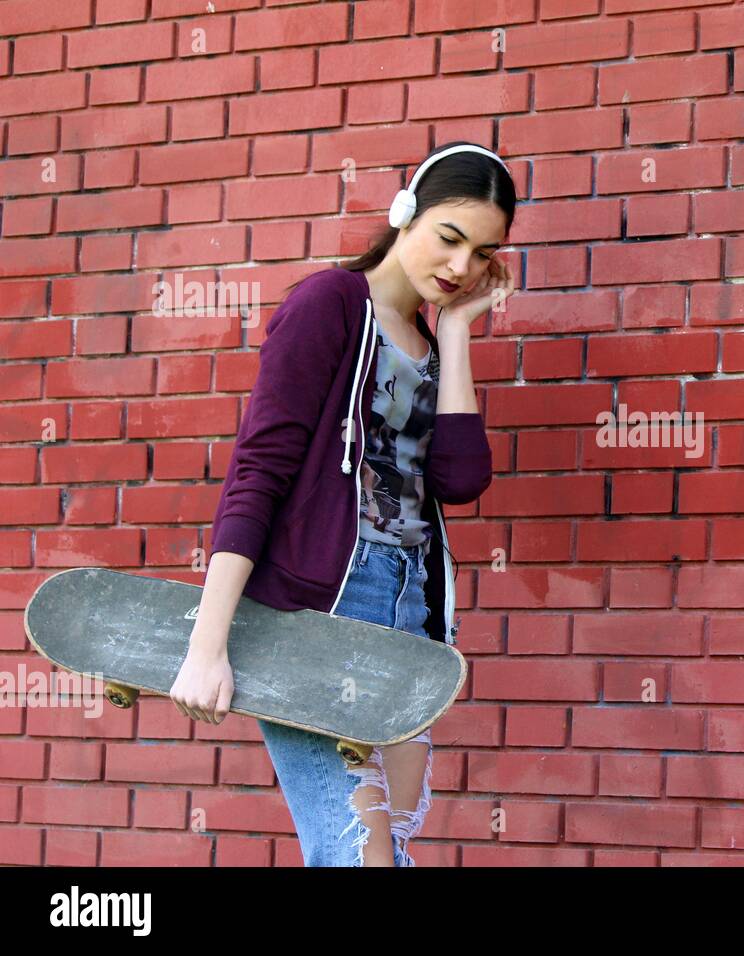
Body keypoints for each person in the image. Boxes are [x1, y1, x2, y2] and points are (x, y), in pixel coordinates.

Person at [168, 141, 518, 866]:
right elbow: (257, 471)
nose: (461, 268)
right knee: (353, 852)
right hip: (322, 610)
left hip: (411, 611)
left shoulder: (427, 338)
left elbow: (460, 478)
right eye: (449, 239)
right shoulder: (328, 305)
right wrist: (209, 644)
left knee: (381, 853)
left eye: (483, 253)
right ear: (404, 215)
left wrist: (454, 335)